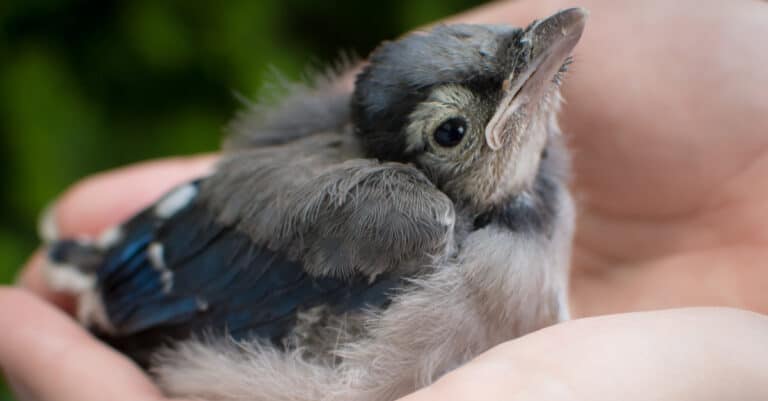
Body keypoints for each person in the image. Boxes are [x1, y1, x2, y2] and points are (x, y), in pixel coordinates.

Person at [2, 0, 767, 399]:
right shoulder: (410, 228)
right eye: (454, 132)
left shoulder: (546, 179)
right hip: (156, 288)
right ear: (417, 165)